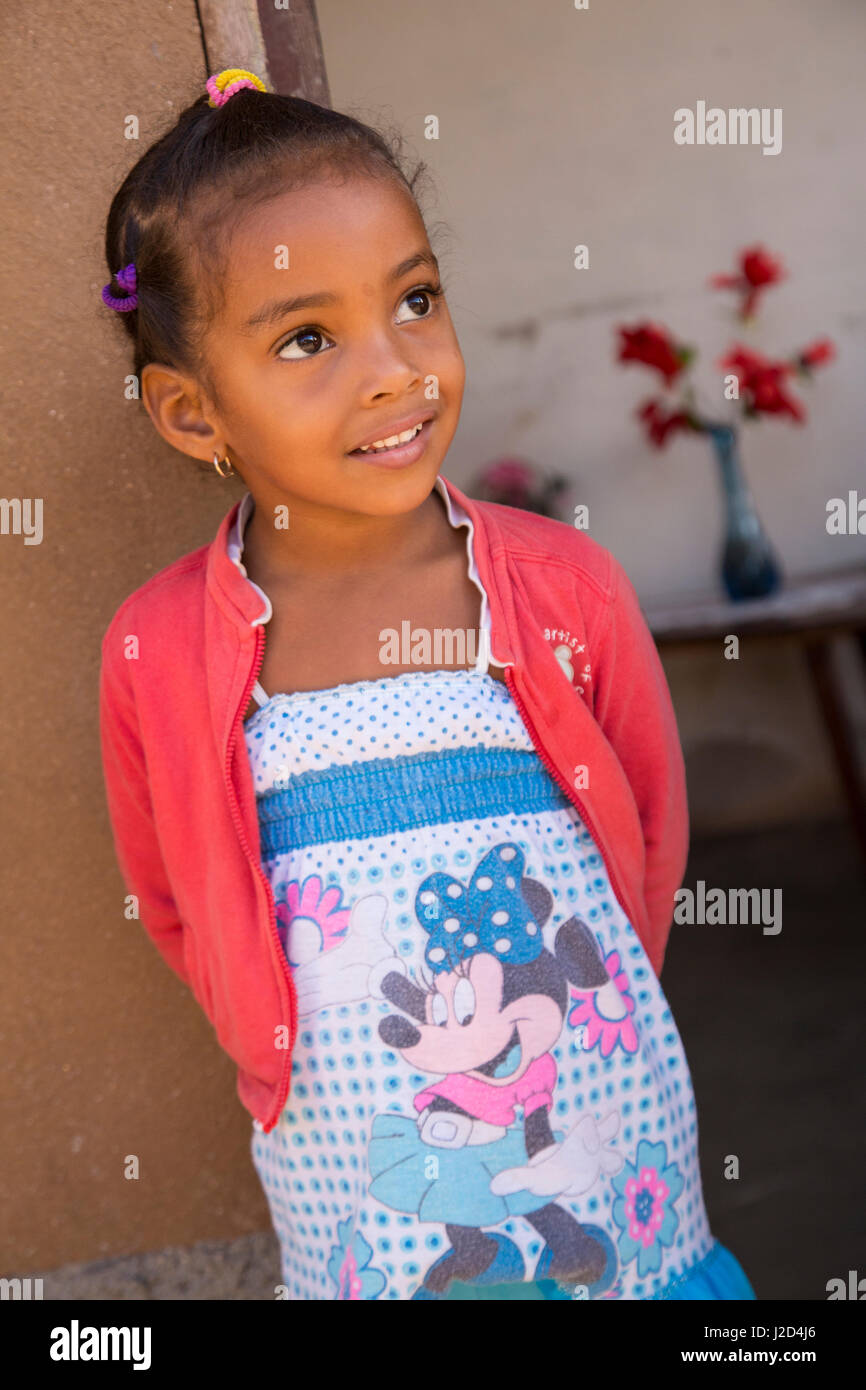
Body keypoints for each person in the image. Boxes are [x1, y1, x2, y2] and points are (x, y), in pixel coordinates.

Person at [98, 67, 756, 1302]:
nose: (396, 368)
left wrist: (588, 1013)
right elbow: (170, 898)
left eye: (414, 299)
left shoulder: (565, 588)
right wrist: (272, 1041)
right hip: (349, 1157)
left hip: (599, 1115)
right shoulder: (159, 648)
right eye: (307, 337)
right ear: (193, 414)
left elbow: (648, 842)